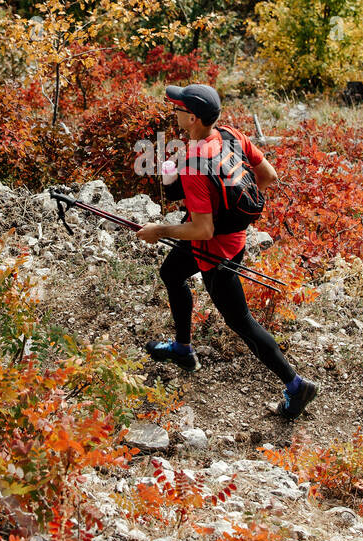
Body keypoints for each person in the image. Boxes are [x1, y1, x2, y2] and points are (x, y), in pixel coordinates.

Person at [135, 83, 320, 421]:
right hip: (231, 240)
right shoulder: (231, 135)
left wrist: (158, 230)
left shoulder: (194, 162)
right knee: (172, 273)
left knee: (241, 322)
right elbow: (268, 176)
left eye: (177, 110)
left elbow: (202, 230)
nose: (173, 113)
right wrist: (230, 215)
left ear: (191, 117)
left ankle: (296, 385)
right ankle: (182, 349)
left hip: (213, 252)